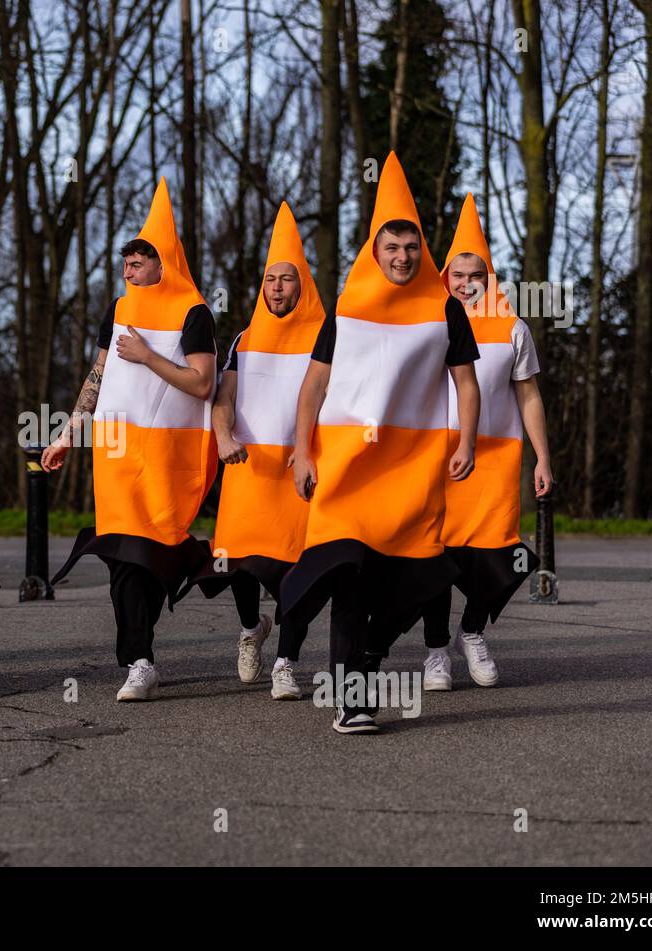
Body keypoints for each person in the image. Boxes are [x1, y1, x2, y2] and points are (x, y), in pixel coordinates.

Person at [281, 152, 480, 734]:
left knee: (423, 578)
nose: (402, 257)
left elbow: (465, 383)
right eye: (392, 247)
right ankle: (353, 701)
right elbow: (314, 385)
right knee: (350, 575)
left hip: (413, 471)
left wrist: (466, 441)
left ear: (424, 251)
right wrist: (304, 450)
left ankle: (367, 656)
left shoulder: (445, 310)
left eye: (412, 247)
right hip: (346, 470)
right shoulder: (344, 310)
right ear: (374, 250)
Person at [44, 178, 217, 702]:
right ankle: (138, 662)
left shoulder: (195, 313)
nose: (129, 268)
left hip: (170, 460)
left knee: (153, 554)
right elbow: (97, 377)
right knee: (123, 557)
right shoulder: (118, 311)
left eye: (140, 260)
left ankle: (207, 564)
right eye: (127, 261)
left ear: (165, 262)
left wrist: (148, 357)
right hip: (117, 459)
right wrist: (68, 433)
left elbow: (204, 383)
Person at [181, 202, 324, 700]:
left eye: (286, 279)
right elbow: (224, 398)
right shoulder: (245, 338)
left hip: (300, 470)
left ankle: (287, 661)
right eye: (270, 280)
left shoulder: (326, 338)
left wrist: (309, 450)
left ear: (302, 283)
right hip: (247, 468)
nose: (277, 288)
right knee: (238, 563)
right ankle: (250, 630)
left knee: (293, 573)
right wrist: (223, 438)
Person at [420, 194, 550, 691]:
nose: (467, 283)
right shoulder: (429, 326)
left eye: (477, 275)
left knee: (499, 554)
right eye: (458, 275)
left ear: (490, 278)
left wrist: (543, 457)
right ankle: (436, 652)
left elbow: (529, 395)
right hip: (440, 456)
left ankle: (471, 631)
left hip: (496, 458)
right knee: (438, 554)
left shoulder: (513, 328)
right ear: (445, 279)